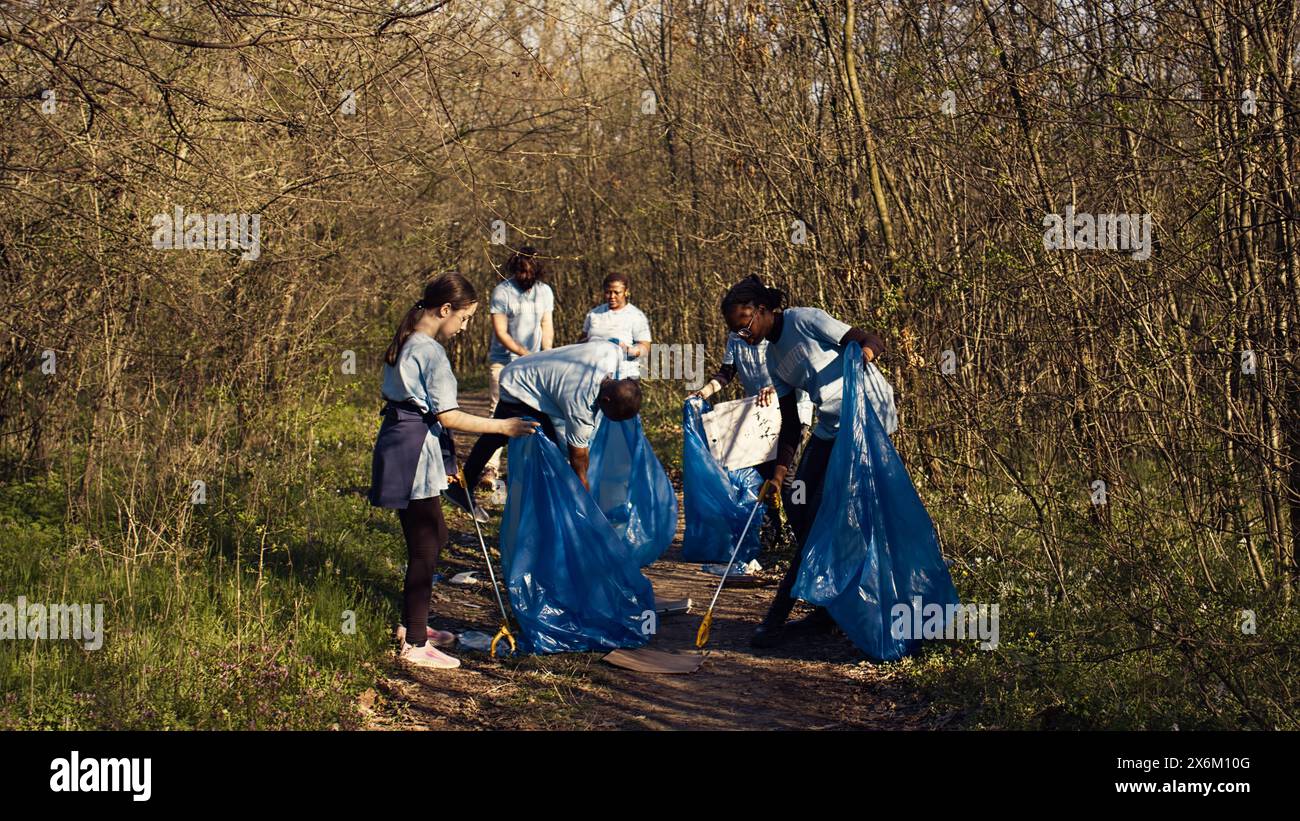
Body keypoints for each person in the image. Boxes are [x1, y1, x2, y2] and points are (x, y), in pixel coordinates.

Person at [368, 273, 538, 670]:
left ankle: (417, 624)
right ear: (445, 310)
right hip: (411, 451)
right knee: (425, 546)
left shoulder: (406, 340)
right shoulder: (429, 350)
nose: (463, 328)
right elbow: (448, 415)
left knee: (433, 536)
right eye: (464, 318)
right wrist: (503, 427)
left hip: (403, 443)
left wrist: (447, 462)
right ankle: (414, 642)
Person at [715, 275, 888, 649]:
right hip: (830, 425)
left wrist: (864, 358)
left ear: (762, 310)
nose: (742, 335)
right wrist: (778, 474)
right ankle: (825, 611)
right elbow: (791, 425)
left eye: (744, 324)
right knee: (802, 505)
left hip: (866, 416)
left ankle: (786, 618)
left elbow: (868, 339)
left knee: (830, 519)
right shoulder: (773, 359)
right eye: (735, 331)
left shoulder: (805, 320)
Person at [453, 341, 643, 502]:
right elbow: (578, 458)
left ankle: (466, 483)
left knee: (516, 441)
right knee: (538, 446)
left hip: (528, 372)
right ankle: (465, 486)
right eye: (611, 415)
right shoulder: (581, 402)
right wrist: (585, 501)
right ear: (606, 401)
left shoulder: (611, 352)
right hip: (518, 386)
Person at [689, 331, 816, 551]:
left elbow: (802, 373)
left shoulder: (780, 334)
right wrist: (706, 391)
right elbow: (727, 372)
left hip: (794, 411)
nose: (743, 332)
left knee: (791, 477)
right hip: (758, 416)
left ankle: (803, 531)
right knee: (764, 477)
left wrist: (777, 388)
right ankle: (772, 531)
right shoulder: (735, 338)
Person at [482, 247, 554, 490]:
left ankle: (525, 468)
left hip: (533, 365)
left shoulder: (544, 292)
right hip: (504, 362)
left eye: (529, 271)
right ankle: (490, 467)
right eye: (521, 271)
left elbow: (547, 325)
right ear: (515, 268)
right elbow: (501, 331)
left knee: (533, 413)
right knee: (498, 411)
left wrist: (545, 356)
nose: (525, 275)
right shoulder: (502, 292)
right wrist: (524, 354)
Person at [580, 272, 652, 378]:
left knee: (624, 392)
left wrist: (630, 351)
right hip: (593, 375)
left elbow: (645, 347)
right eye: (608, 292)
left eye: (617, 292)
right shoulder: (593, 314)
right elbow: (581, 341)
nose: (612, 296)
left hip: (624, 375)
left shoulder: (636, 316)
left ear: (626, 292)